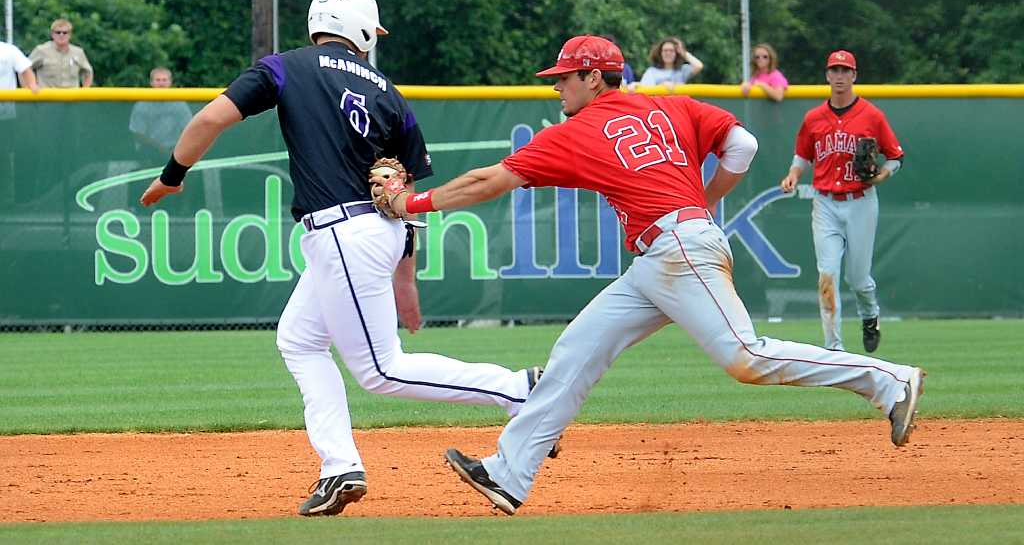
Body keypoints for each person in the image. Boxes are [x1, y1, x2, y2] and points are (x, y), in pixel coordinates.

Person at [373, 35, 925, 515]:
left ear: (594, 77)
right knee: (576, 351)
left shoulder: (578, 130)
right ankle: (508, 473)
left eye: (565, 76)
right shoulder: (669, 104)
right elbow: (744, 145)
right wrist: (703, 200)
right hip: (663, 256)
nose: (557, 86)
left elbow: (486, 181)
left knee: (745, 357)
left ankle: (889, 381)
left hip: (679, 251)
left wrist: (408, 203)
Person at [138, 0, 551, 518]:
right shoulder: (388, 92)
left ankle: (519, 390)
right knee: (299, 340)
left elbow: (209, 119)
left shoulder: (284, 67)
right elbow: (403, 195)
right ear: (362, 30)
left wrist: (173, 175)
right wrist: (406, 278)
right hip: (370, 233)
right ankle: (340, 467)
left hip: (342, 234)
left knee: (382, 372)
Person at [780, 50, 904, 353]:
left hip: (861, 201)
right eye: (834, 70)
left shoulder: (872, 115)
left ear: (854, 75)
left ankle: (869, 315)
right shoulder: (813, 118)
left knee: (858, 278)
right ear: (827, 75)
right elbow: (803, 155)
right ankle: (834, 349)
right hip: (824, 203)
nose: (839, 76)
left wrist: (882, 175)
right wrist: (793, 174)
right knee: (827, 275)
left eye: (845, 70)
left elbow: (896, 156)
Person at [1, 41, 40, 205]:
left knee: (4, 157)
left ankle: (6, 199)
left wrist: (32, 86)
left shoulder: (8, 50)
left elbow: (25, 69)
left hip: (5, 116)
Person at [129, 67, 193, 158]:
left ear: (170, 82)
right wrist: (160, 150)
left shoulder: (179, 104)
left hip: (175, 150)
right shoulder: (142, 105)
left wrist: (179, 149)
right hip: (149, 151)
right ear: (151, 83)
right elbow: (138, 134)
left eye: (164, 80)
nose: (161, 83)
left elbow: (189, 129)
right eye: (158, 80)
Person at [29, 19, 94, 88]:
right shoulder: (41, 51)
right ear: (52, 34)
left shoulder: (78, 52)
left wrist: (84, 90)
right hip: (48, 94)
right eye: (58, 32)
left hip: (71, 94)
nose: (61, 35)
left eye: (65, 33)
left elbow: (88, 72)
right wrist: (31, 85)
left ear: (70, 35)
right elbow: (26, 69)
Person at [638, 36, 703, 90]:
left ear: (676, 54)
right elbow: (645, 91)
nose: (668, 53)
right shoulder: (651, 71)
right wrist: (661, 86)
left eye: (671, 51)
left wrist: (683, 52)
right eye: (665, 50)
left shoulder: (682, 70)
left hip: (677, 101)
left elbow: (699, 66)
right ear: (660, 53)